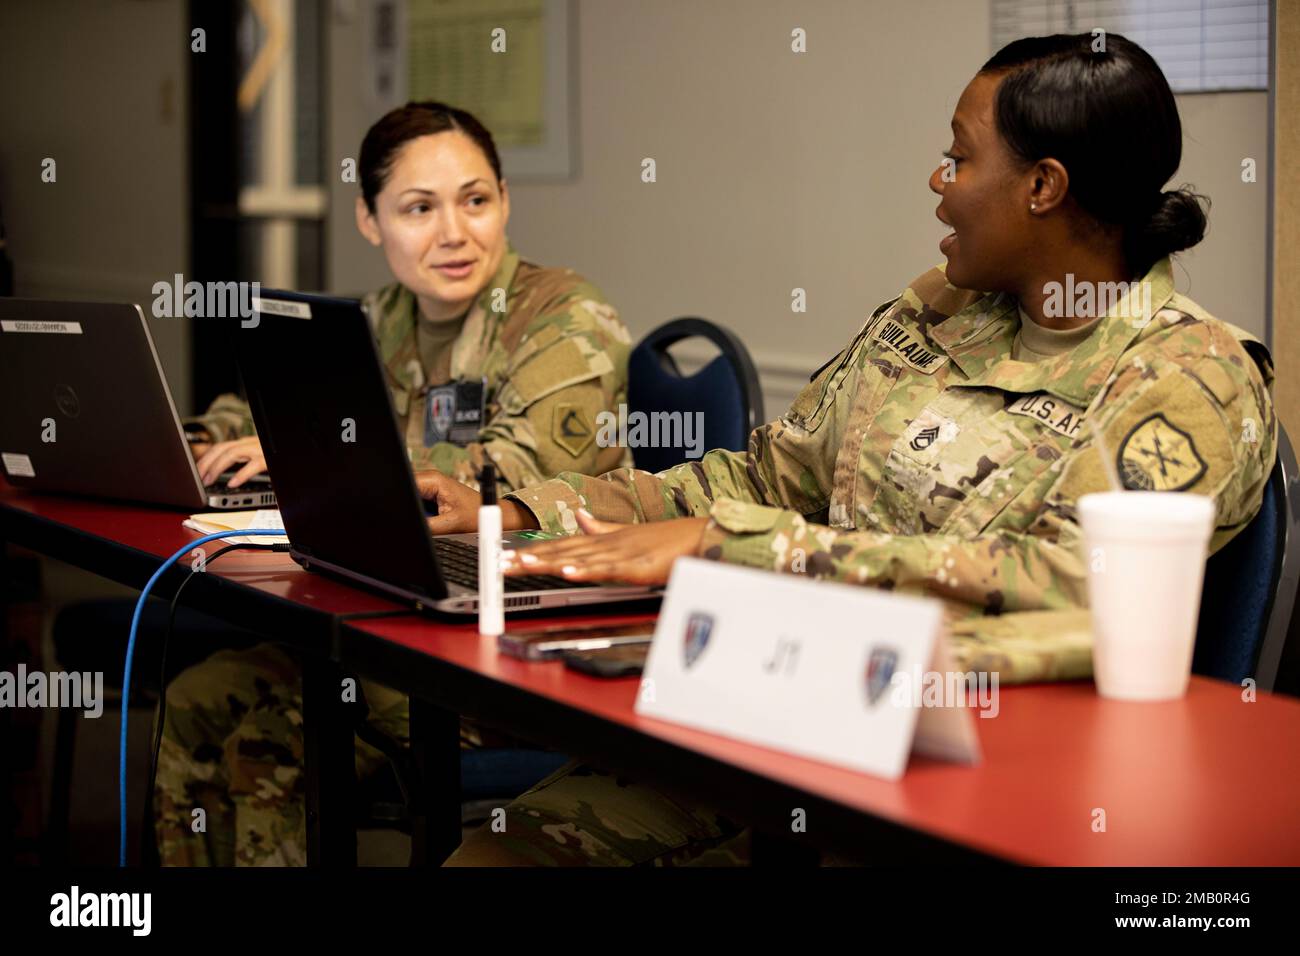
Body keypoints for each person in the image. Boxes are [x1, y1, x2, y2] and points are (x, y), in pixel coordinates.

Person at [414, 33, 1277, 865]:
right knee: (501, 854)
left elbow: (1083, 593)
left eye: (962, 158)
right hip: (781, 721)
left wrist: (753, 549)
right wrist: (525, 509)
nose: (938, 183)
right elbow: (764, 476)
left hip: (969, 783)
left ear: (1043, 187)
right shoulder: (934, 316)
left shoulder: (1187, 377)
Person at [155, 101, 633, 865]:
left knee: (266, 745)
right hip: (393, 618)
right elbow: (254, 411)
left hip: (509, 650)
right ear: (369, 220)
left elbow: (513, 476)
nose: (454, 232)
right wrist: (197, 442)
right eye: (418, 208)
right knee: (190, 705)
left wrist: (310, 454)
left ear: (506, 200)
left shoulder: (568, 318)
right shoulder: (379, 319)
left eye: (476, 200)